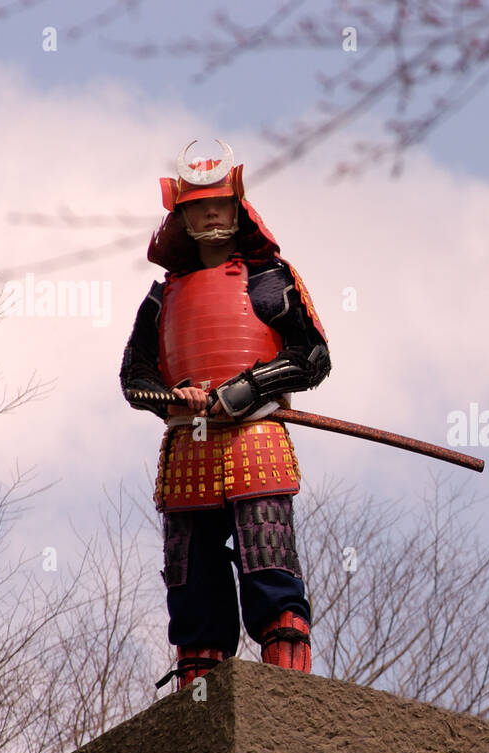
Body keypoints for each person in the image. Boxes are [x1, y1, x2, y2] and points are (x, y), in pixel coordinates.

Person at [119, 139, 331, 690]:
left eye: (219, 203)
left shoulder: (271, 281)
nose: (210, 212)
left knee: (269, 561)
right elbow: (134, 380)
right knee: (193, 588)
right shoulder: (161, 299)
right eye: (197, 205)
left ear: (237, 208)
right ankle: (198, 703)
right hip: (187, 447)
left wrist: (248, 388)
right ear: (182, 216)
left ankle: (288, 689)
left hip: (254, 441)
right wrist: (174, 396)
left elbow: (312, 356)